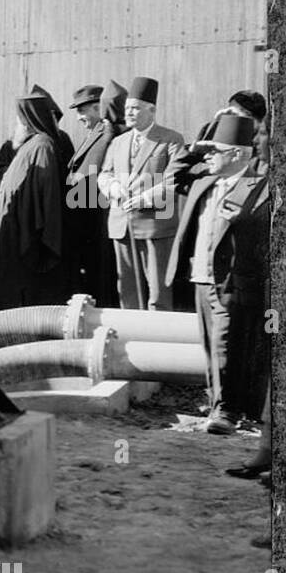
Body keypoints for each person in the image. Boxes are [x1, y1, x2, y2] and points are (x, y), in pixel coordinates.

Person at [165, 114, 270, 435]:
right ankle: (218, 403)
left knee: (228, 346)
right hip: (201, 278)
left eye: (216, 151)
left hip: (233, 283)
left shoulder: (259, 187)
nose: (208, 157)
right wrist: (205, 138)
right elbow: (174, 173)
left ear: (237, 155)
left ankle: (226, 410)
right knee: (210, 346)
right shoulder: (204, 180)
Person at [96, 76, 186, 310]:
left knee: (158, 292)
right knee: (127, 290)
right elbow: (105, 174)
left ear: (152, 110)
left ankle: (158, 340)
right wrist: (113, 188)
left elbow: (175, 179)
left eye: (135, 108)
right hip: (122, 225)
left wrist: (144, 199)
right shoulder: (118, 141)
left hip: (155, 226)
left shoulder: (171, 140)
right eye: (127, 108)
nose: (129, 113)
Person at [0, 95, 71, 310]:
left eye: (19, 121)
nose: (17, 126)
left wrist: (36, 233)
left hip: (26, 233)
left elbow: (47, 195)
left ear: (28, 121)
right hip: (14, 231)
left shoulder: (42, 146)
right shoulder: (30, 146)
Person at [64, 83, 118, 304]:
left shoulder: (108, 134)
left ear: (98, 108)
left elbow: (96, 176)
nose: (78, 117)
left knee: (102, 280)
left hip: (99, 222)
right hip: (87, 221)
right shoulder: (94, 134)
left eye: (82, 110)